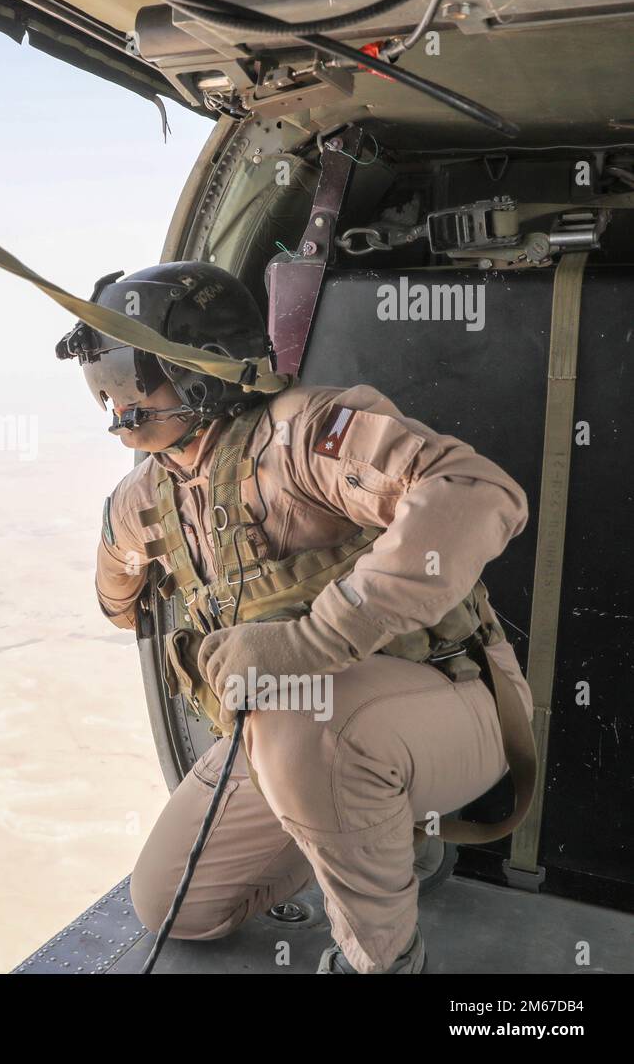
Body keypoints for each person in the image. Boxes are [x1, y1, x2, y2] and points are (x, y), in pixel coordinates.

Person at [56, 260, 534, 973]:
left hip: (455, 703)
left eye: (126, 377)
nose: (114, 404)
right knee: (172, 904)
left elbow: (479, 491)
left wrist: (311, 638)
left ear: (198, 368)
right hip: (295, 740)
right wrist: (132, 550)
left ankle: (386, 958)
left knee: (298, 712)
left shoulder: (305, 434)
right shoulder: (145, 496)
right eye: (103, 382)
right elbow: (116, 598)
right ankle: (379, 839)